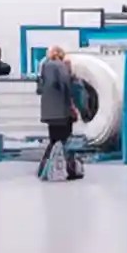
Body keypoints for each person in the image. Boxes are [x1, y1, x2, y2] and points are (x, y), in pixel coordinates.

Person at [36, 47, 81, 181]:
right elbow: (65, 86)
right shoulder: (61, 66)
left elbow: (39, 90)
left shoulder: (43, 68)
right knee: (67, 142)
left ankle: (43, 169)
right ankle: (71, 170)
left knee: (53, 141)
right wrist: (72, 107)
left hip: (48, 113)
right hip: (62, 111)